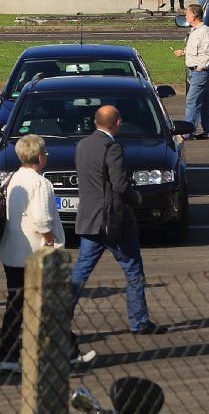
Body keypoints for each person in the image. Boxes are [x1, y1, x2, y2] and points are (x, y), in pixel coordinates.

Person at [71, 106, 163, 339]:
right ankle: (139, 321)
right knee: (133, 270)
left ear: (95, 122)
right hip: (113, 220)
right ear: (117, 123)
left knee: (80, 272)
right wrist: (136, 197)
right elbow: (120, 186)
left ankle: (60, 316)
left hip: (89, 218)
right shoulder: (112, 148)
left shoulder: (83, 145)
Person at [0, 135, 82, 372]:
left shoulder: (13, 178)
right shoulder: (40, 183)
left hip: (12, 251)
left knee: (16, 306)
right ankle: (67, 351)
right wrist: (50, 242)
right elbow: (42, 220)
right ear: (40, 157)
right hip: (35, 253)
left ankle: (8, 356)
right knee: (48, 305)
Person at [172, 4, 209, 140]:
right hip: (194, 71)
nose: (185, 16)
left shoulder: (205, 31)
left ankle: (187, 132)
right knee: (204, 103)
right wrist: (184, 52)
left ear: (194, 16)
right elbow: (197, 49)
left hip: (200, 72)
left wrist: (200, 68)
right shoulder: (194, 31)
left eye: (187, 14)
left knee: (191, 102)